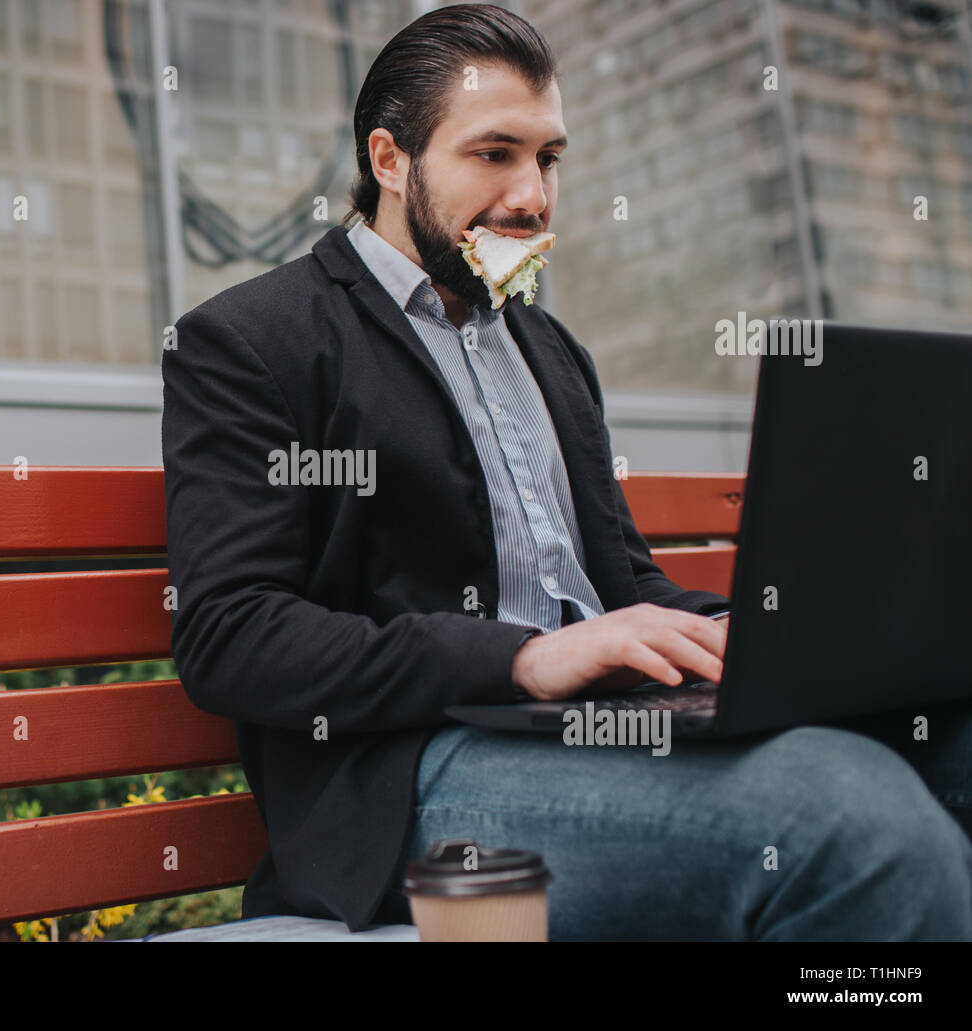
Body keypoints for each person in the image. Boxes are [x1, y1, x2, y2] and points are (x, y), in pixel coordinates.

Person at [160, 3, 972, 939]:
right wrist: (521, 657)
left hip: (607, 723)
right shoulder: (251, 341)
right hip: (417, 768)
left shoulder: (547, 347)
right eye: (494, 153)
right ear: (389, 160)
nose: (532, 196)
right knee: (847, 819)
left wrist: (762, 638)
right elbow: (229, 633)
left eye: (548, 158)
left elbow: (623, 586)